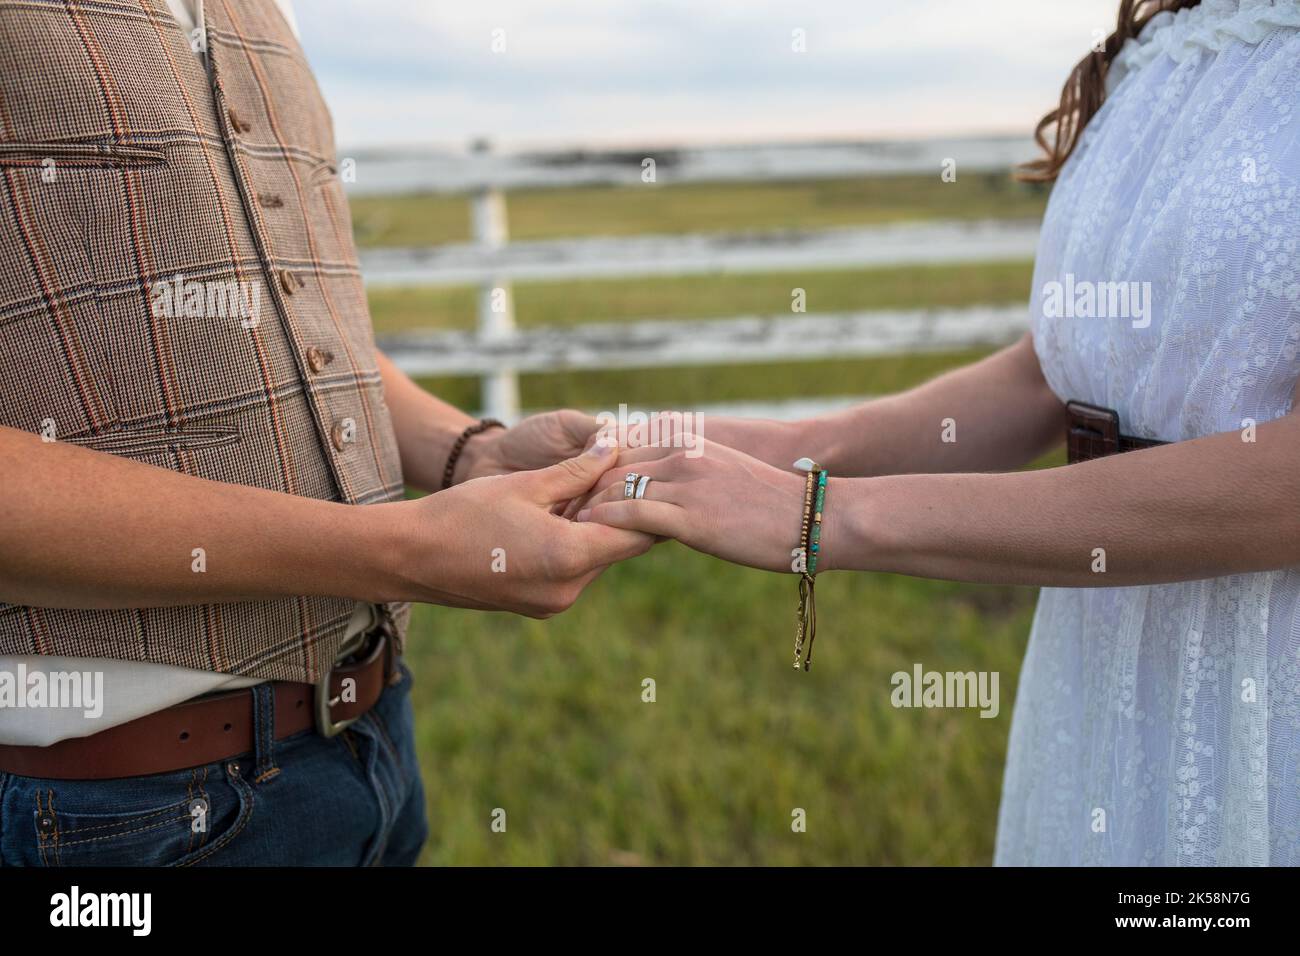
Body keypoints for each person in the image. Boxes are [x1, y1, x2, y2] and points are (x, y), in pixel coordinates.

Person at [579, 0, 1300, 865]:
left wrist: (825, 513)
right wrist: (800, 446)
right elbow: (1057, 371)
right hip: (1105, 648)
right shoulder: (1167, 46)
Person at [0, 0, 646, 866]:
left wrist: (471, 451)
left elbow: (299, 327)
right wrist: (403, 547)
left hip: (371, 741)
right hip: (115, 811)